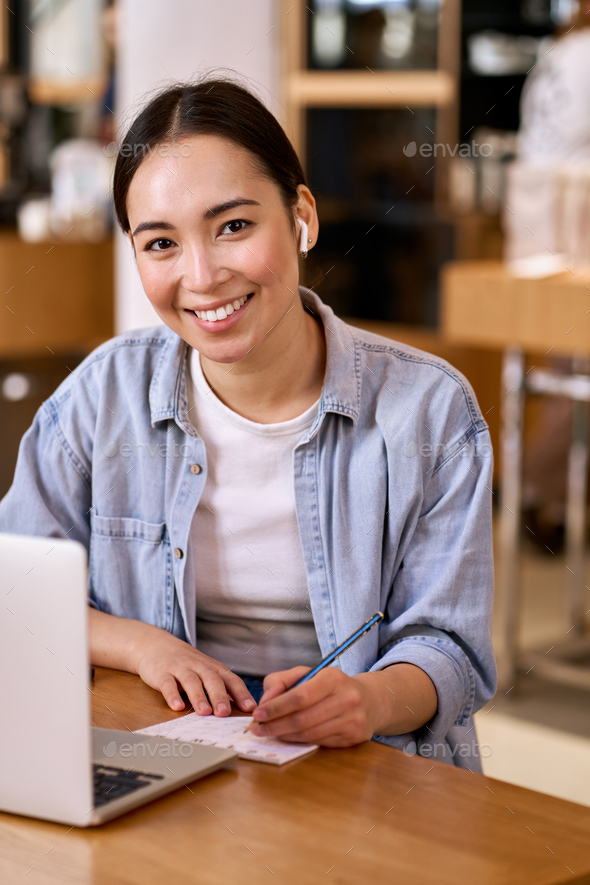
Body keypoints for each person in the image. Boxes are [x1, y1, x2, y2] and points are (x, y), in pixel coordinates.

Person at [0, 78, 496, 765]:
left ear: (302, 216)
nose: (201, 276)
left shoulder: (429, 409)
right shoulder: (100, 397)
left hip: (368, 756)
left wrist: (367, 699)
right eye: (161, 243)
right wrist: (147, 647)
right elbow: (15, 584)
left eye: (233, 225)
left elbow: (453, 648)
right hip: (162, 746)